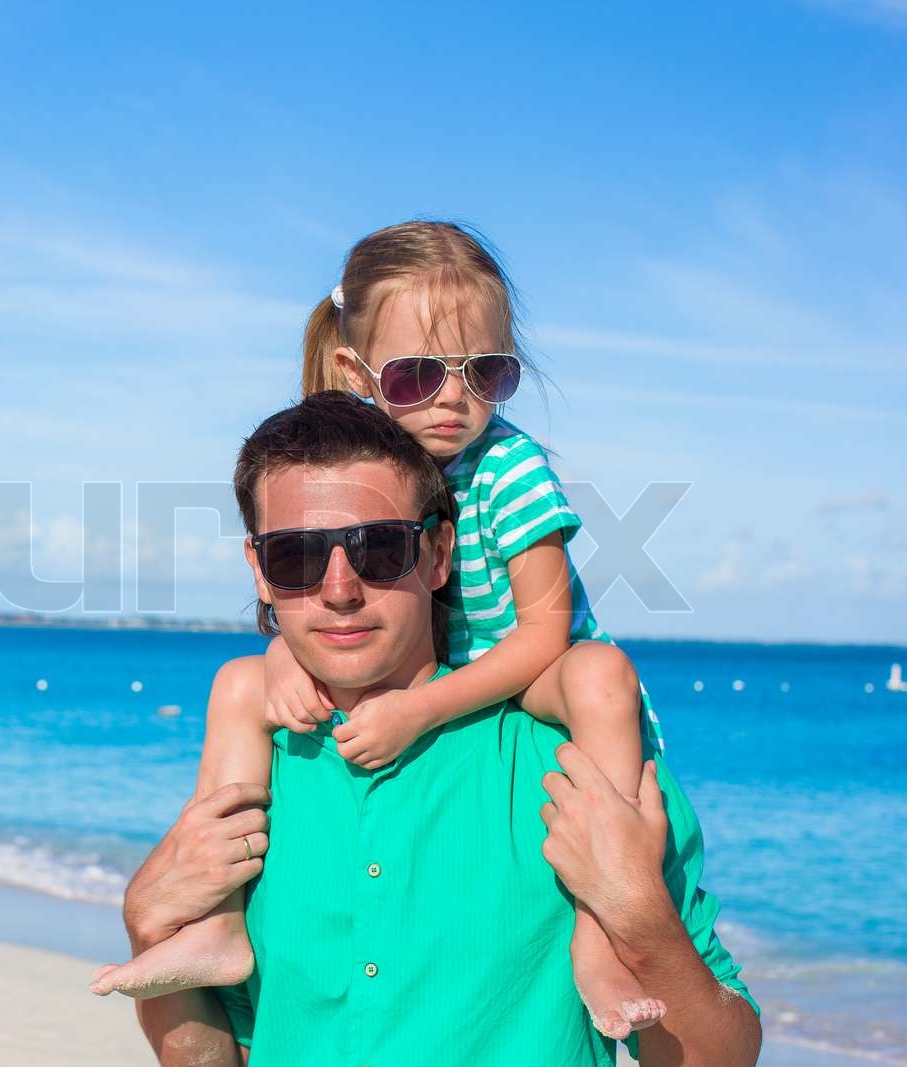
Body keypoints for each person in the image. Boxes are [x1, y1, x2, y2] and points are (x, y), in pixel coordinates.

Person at [94, 221, 666, 1040]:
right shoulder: (371, 465)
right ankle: (213, 916)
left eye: (488, 372)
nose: (454, 399)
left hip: (529, 667)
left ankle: (602, 932)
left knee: (604, 674)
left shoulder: (510, 468)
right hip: (452, 662)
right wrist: (280, 650)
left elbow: (546, 634)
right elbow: (330, 583)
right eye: (416, 375)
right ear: (358, 374)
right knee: (234, 686)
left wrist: (419, 710)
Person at [119, 392, 761, 1065]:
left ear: (438, 554)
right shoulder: (253, 763)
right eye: (296, 557)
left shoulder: (577, 770)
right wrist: (150, 928)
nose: (340, 589)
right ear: (260, 572)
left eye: (380, 548)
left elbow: (726, 1054)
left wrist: (643, 923)